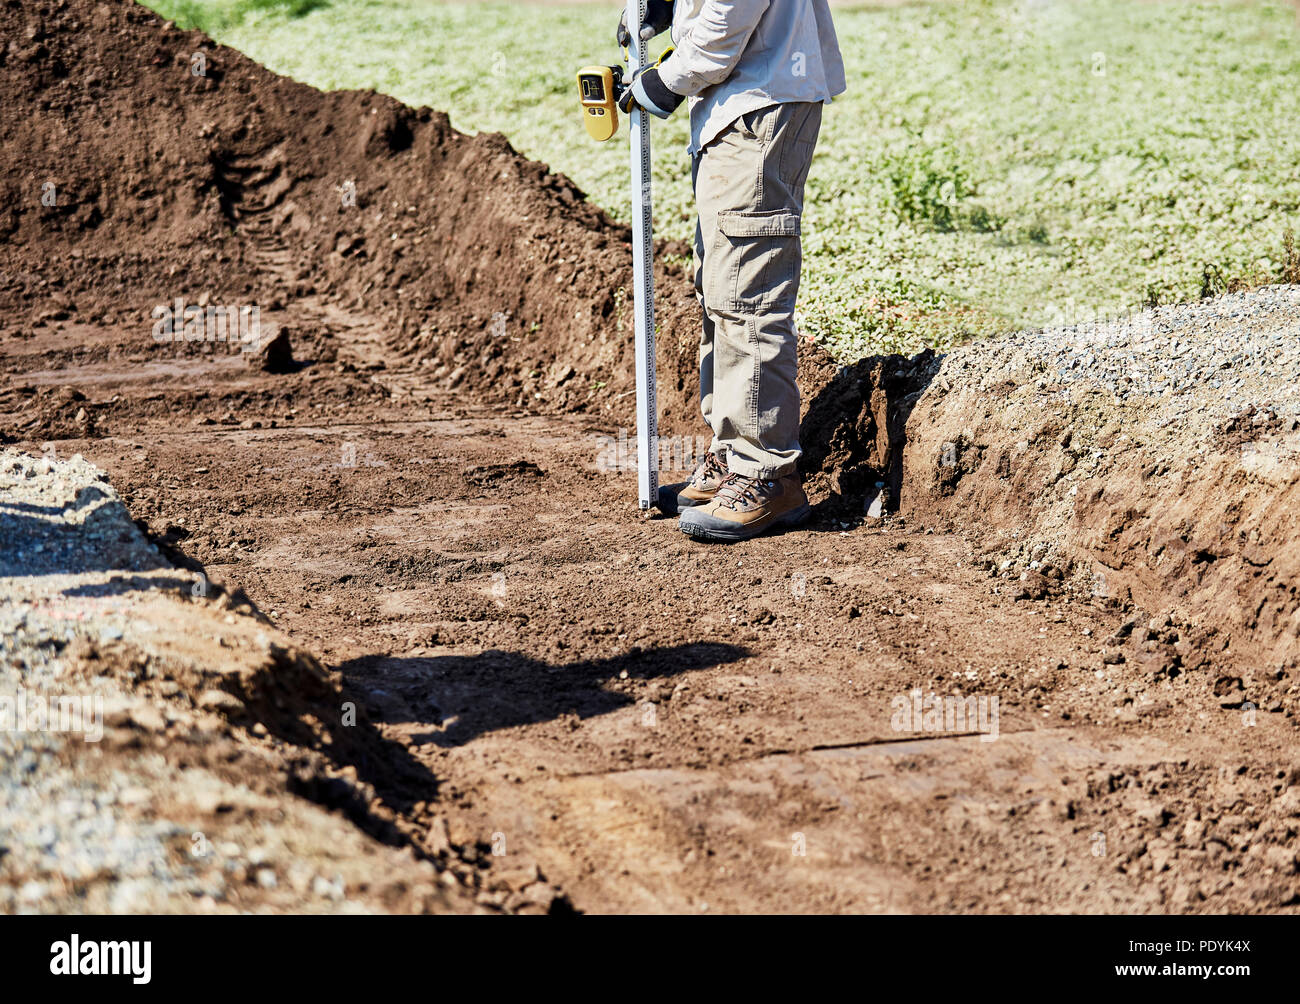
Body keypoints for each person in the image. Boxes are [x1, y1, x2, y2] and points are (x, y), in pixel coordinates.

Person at [616, 0, 845, 542]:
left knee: (747, 293)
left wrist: (667, 78)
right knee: (720, 287)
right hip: (737, 102)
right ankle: (733, 454)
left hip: (759, 99)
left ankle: (767, 473)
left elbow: (726, 17)